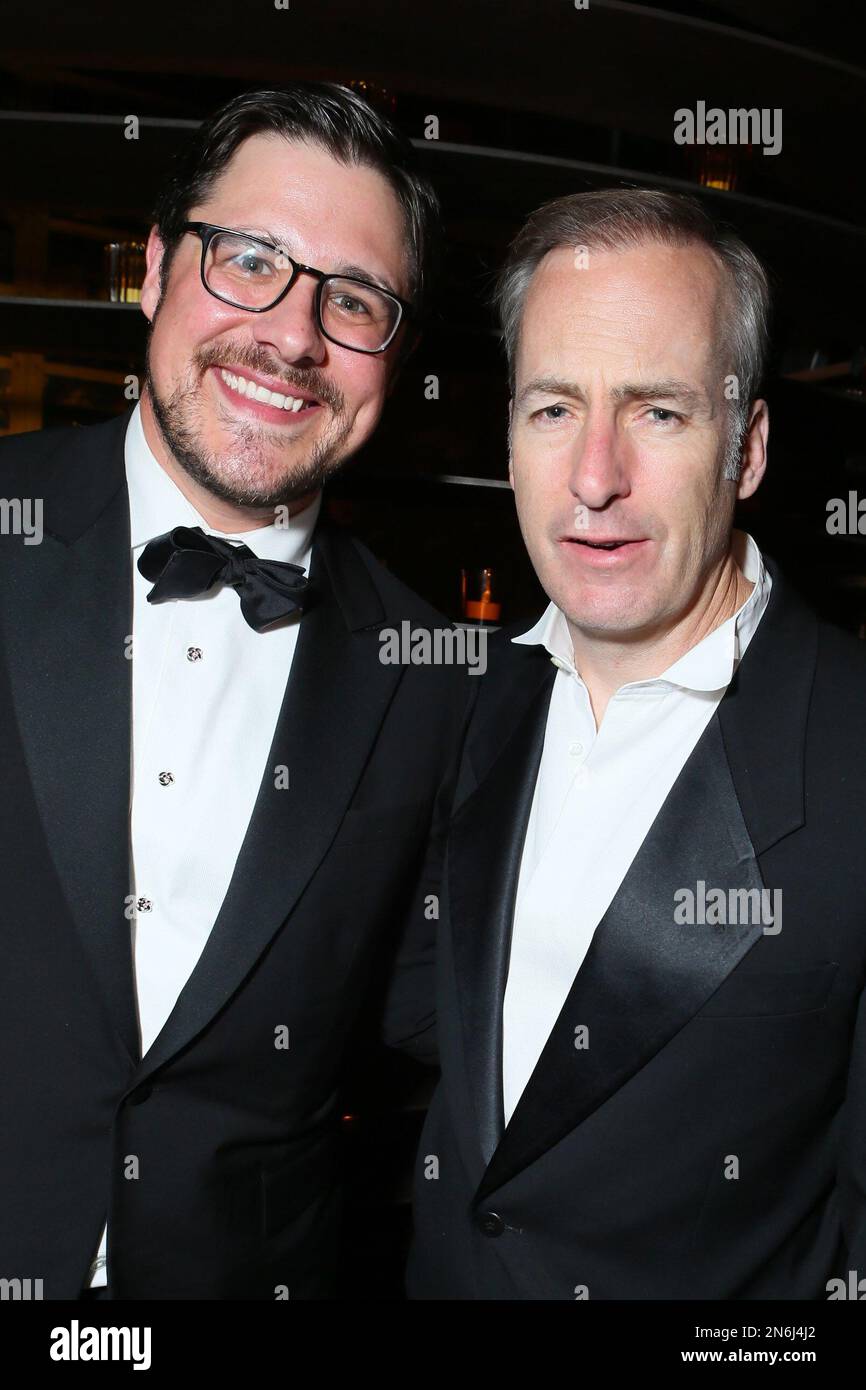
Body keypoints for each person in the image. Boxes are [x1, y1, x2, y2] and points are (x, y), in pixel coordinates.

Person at [0, 81, 469, 1300]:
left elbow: (466, 1018)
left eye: (352, 299)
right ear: (154, 270)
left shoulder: (439, 683)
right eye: (248, 259)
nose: (292, 336)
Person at [407, 187, 866, 1300]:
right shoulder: (460, 706)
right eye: (552, 409)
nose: (595, 476)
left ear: (745, 448)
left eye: (658, 412)